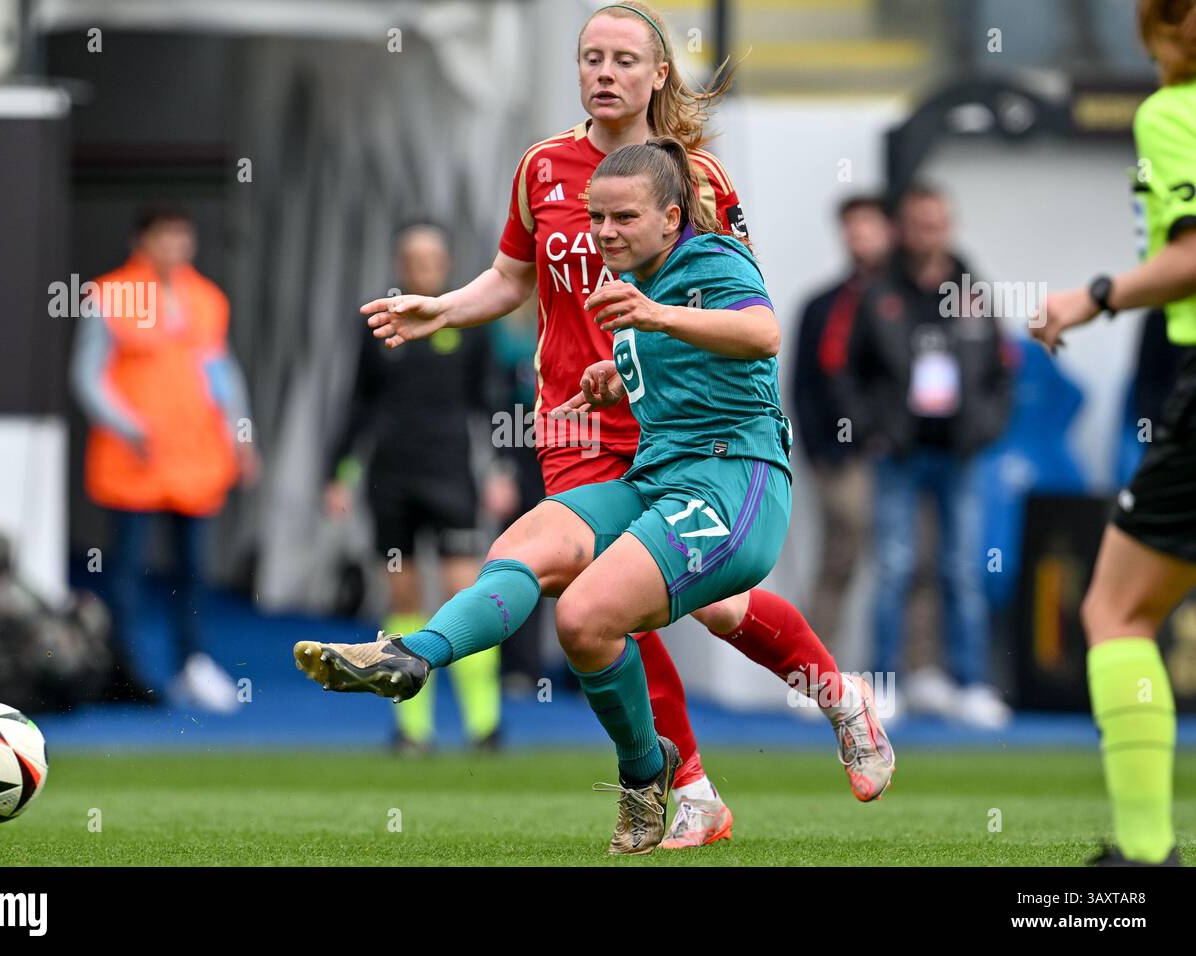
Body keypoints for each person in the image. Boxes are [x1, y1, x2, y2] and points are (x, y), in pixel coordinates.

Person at [300, 1, 893, 850]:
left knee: (708, 611)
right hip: (580, 418)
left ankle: (834, 699)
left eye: (623, 58)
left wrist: (652, 333)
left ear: (659, 74)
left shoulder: (696, 181)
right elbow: (510, 281)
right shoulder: (544, 167)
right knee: (587, 597)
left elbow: (744, 314)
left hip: (684, 423)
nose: (604, 73)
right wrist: (446, 311)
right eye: (590, 58)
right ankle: (682, 784)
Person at [1031, 0, 1196, 867]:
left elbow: (1193, 255)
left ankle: (1143, 855)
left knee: (1117, 607)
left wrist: (1087, 297)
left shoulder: (1174, 112)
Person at [324, 221, 515, 753]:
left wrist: (499, 469)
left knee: (464, 589)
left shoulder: (471, 323)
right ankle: (413, 730)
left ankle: (485, 724)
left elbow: (489, 401)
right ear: (400, 263)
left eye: (432, 257)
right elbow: (358, 404)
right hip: (391, 478)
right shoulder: (379, 322)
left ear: (445, 263)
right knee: (403, 594)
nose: (422, 266)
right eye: (413, 257)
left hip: (452, 476)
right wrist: (337, 473)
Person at [70, 206, 260, 713]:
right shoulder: (112, 294)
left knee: (193, 568)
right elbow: (88, 375)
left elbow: (221, 371)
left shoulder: (205, 298)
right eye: (165, 236)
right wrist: (128, 425)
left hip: (195, 456)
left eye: (183, 237)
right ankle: (123, 667)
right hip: (136, 457)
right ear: (142, 240)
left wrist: (241, 433)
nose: (175, 246)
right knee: (127, 569)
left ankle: (192, 662)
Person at [847, 184, 1013, 729]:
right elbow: (851, 370)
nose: (929, 233)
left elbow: (1000, 369)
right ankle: (883, 686)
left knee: (962, 570)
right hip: (899, 451)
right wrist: (871, 428)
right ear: (903, 228)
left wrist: (986, 426)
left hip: (960, 451)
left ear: (949, 225)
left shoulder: (972, 290)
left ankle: (971, 684)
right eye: (919, 222)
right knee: (894, 567)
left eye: (937, 222)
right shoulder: (879, 292)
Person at [791, 195, 894, 648]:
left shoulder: (911, 299)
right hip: (841, 458)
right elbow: (803, 385)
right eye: (850, 227)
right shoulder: (823, 306)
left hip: (904, 454)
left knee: (911, 562)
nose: (859, 236)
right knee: (840, 557)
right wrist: (820, 450)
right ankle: (813, 671)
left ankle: (912, 673)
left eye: (867, 226)